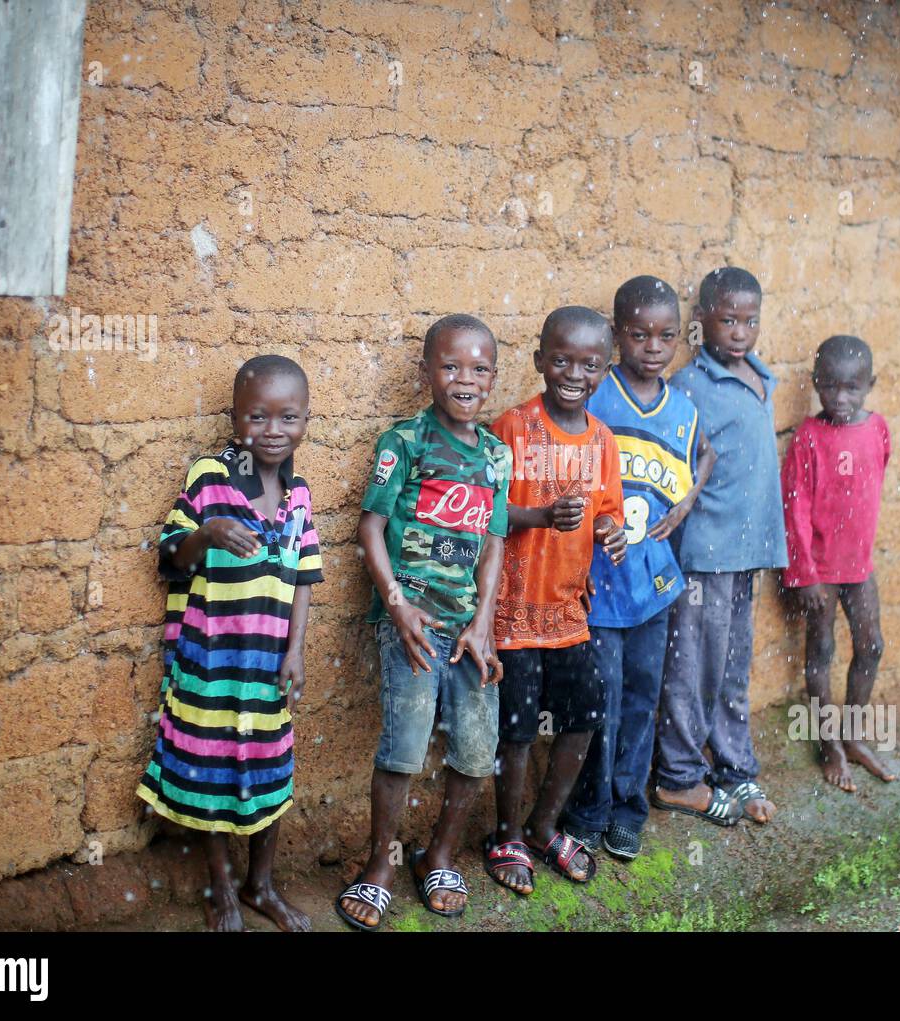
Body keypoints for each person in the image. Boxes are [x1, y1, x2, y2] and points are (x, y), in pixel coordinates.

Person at [337, 314, 512, 930]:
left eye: (479, 368)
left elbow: (494, 543)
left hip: (468, 629)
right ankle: (381, 865)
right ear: (425, 374)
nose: (465, 379)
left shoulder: (495, 454)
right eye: (450, 366)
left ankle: (437, 854)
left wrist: (483, 622)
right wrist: (397, 604)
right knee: (404, 750)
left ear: (493, 378)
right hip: (413, 624)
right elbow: (370, 528)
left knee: (474, 748)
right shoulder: (404, 442)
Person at [136, 354, 322, 931]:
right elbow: (169, 559)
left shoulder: (299, 493)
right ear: (235, 419)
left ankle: (260, 887)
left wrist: (295, 651)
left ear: (306, 420)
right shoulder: (209, 478)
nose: (272, 431)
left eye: (287, 417)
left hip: (269, 667)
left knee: (270, 773)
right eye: (257, 417)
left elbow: (303, 579)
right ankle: (221, 890)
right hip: (210, 661)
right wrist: (206, 533)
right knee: (210, 772)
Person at [560, 276, 716, 861]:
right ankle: (588, 809)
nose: (654, 346)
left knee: (641, 697)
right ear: (617, 335)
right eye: (639, 334)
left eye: (667, 336)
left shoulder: (682, 409)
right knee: (597, 699)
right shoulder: (596, 396)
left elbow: (704, 455)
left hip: (653, 584)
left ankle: (628, 810)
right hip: (597, 585)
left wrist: (688, 499)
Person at [484, 306, 627, 894]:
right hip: (512, 613)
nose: (574, 372)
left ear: (605, 370)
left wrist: (612, 532)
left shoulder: (603, 442)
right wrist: (539, 516)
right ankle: (506, 834)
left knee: (587, 711)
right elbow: (483, 510)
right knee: (516, 730)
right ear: (540, 359)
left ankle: (545, 826)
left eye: (590, 364)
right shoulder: (511, 428)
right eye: (561, 359)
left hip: (569, 613)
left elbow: (610, 512)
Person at [653, 267, 785, 827]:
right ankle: (679, 775)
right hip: (704, 555)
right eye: (727, 320)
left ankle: (734, 765)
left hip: (747, 552)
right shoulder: (689, 388)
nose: (739, 332)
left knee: (732, 666)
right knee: (691, 667)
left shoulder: (761, 377)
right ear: (700, 322)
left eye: (749, 320)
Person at [782, 334, 895, 792]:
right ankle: (827, 745)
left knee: (872, 645)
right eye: (830, 387)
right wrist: (804, 574)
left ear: (870, 384)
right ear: (815, 384)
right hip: (821, 573)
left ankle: (853, 736)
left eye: (852, 388)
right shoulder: (809, 438)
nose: (841, 398)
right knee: (821, 653)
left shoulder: (878, 428)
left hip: (859, 568)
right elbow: (796, 509)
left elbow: (875, 475)